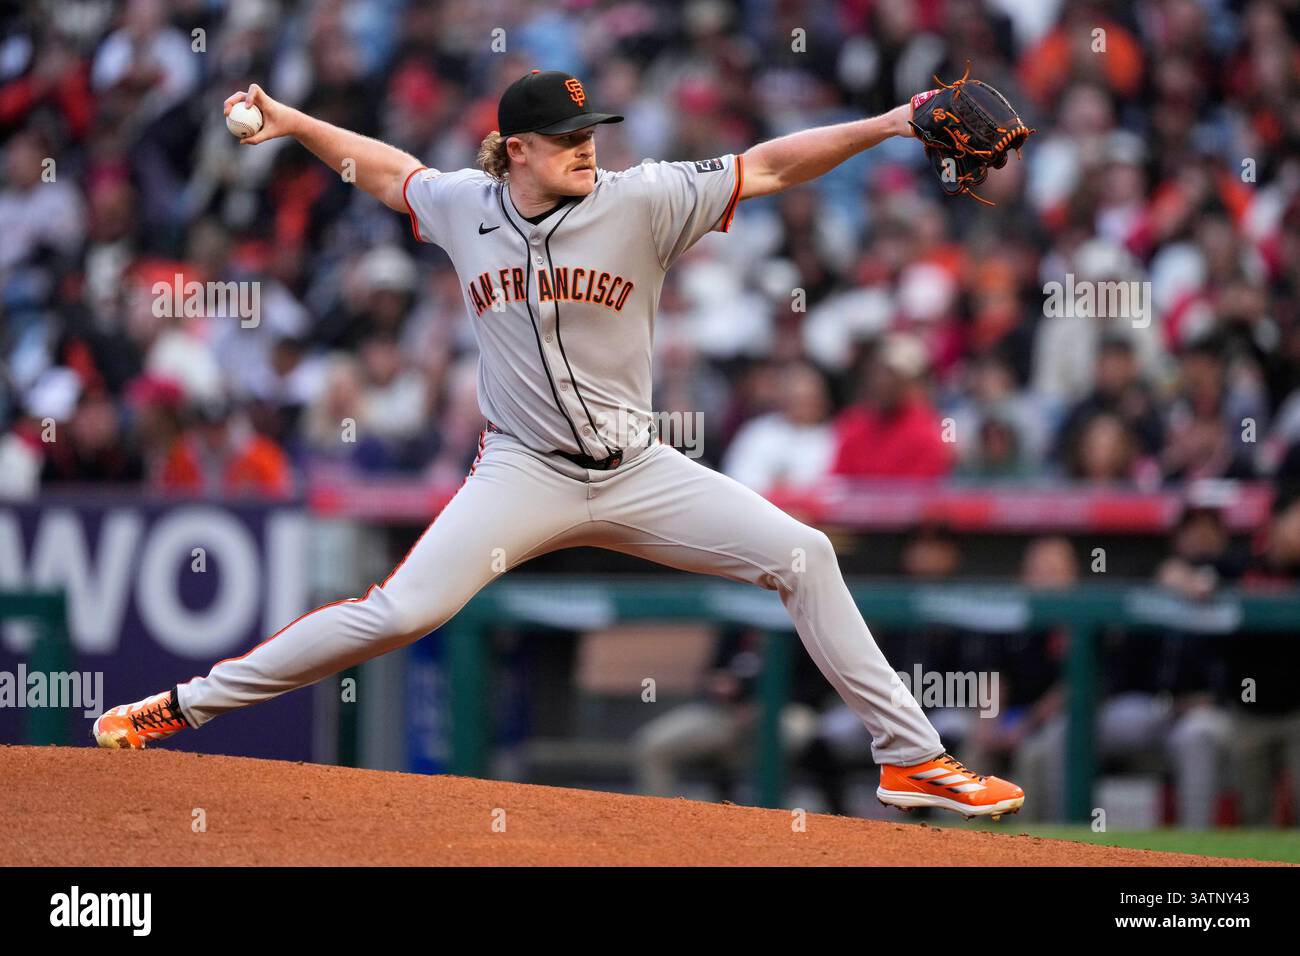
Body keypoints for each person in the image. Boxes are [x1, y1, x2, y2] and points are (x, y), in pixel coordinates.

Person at [93, 70, 1024, 820]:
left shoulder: (645, 198)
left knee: (805, 553)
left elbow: (770, 165)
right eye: (571, 139)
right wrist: (292, 119)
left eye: (595, 134)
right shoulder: (465, 204)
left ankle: (912, 761)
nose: (590, 149)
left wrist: (898, 121)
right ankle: (182, 704)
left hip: (640, 466)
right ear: (518, 151)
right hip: (522, 471)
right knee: (399, 613)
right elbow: (382, 169)